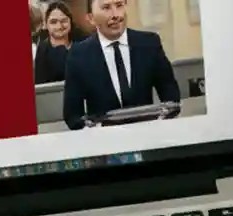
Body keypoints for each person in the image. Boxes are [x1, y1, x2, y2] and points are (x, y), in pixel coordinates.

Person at [62, 0, 181, 130]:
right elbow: (72, 115)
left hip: (148, 135)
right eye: (106, 8)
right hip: (105, 142)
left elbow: (171, 98)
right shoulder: (78, 55)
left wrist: (159, 125)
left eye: (119, 5)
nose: (115, 15)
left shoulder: (149, 43)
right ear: (91, 18)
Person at [33, 2, 78, 84]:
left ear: (70, 22)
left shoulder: (83, 45)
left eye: (64, 21)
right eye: (53, 22)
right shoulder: (40, 51)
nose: (59, 26)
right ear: (46, 25)